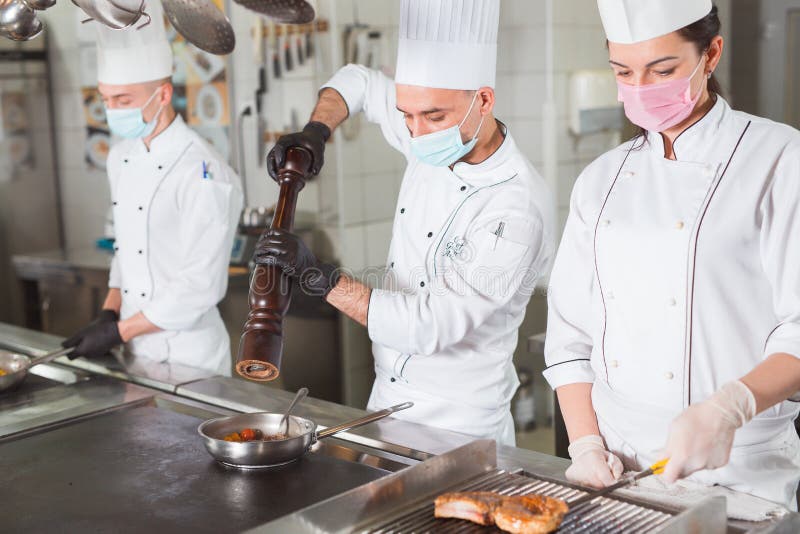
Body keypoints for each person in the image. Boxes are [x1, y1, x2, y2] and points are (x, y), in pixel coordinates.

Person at [255, 0, 554, 445]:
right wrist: (316, 132)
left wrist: (319, 277)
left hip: (461, 429)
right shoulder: (425, 130)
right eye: (406, 115)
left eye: (434, 116)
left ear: (484, 100)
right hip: (386, 405)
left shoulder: (516, 205)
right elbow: (355, 80)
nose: (416, 132)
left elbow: (429, 325)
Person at [544, 0, 800, 509]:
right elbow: (570, 333)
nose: (641, 87)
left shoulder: (780, 159)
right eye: (623, 71)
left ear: (711, 55)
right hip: (619, 468)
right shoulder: (601, 178)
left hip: (741, 468)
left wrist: (729, 407)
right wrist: (586, 444)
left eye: (662, 70)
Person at [62, 0, 243, 376]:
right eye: (106, 98)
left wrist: (117, 332)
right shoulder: (120, 156)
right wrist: (109, 312)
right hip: (134, 350)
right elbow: (124, 248)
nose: (112, 110)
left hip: (192, 360)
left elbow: (200, 287)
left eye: (123, 100)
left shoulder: (205, 172)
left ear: (162, 95)